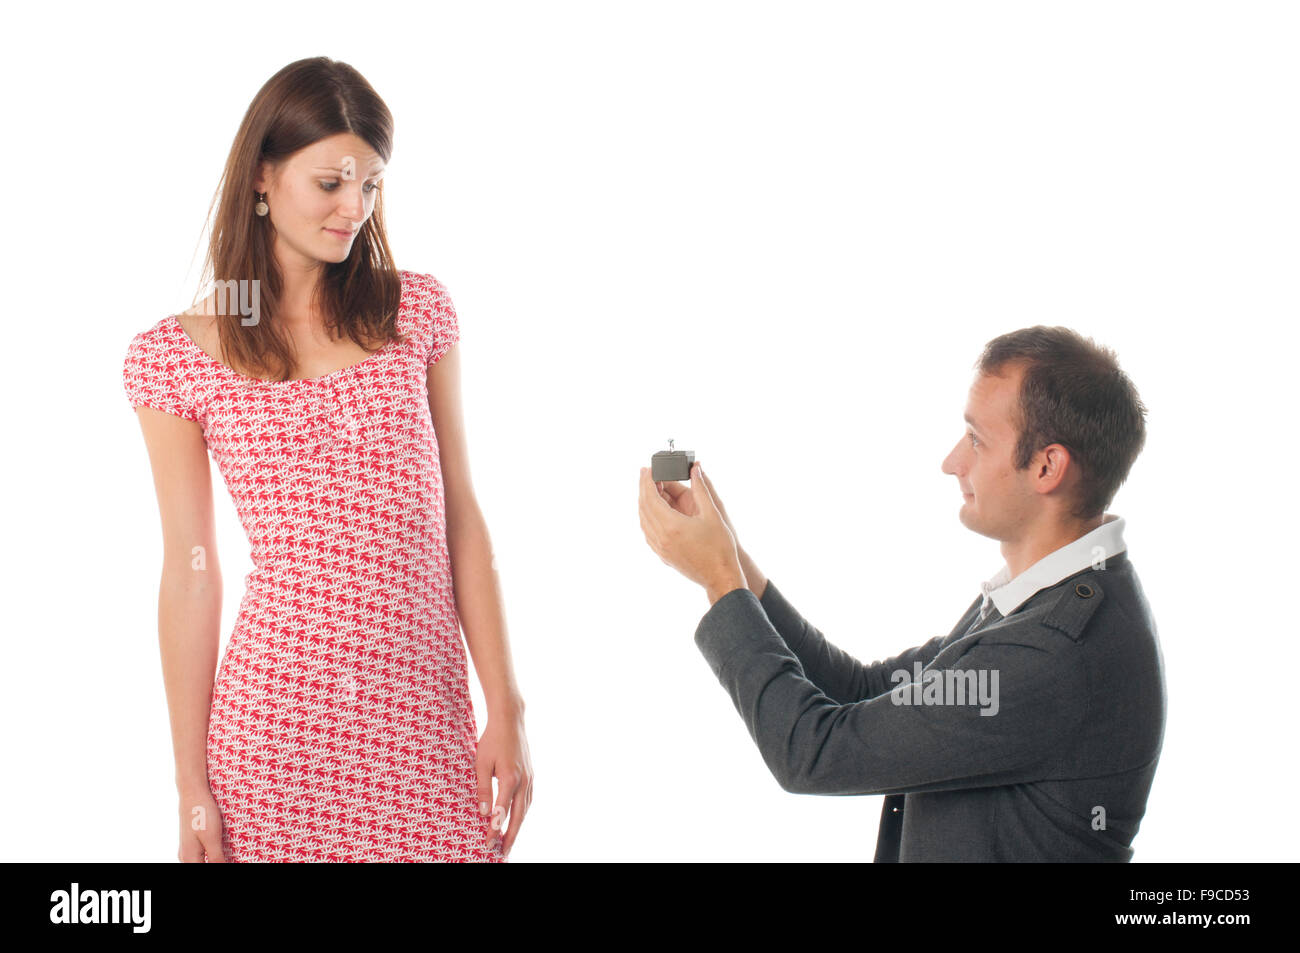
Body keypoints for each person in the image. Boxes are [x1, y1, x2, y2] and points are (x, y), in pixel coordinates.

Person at [122, 57, 531, 862]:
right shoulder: (180, 354)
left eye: (372, 185)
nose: (356, 209)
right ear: (263, 179)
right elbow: (192, 570)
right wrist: (189, 783)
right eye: (332, 184)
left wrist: (507, 705)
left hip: (424, 725)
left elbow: (461, 516)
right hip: (276, 741)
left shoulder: (411, 310)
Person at [638, 326, 1164, 861]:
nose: (952, 461)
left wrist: (719, 580)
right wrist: (736, 564)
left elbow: (815, 751)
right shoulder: (1040, 601)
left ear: (1047, 467)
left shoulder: (1054, 650)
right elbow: (857, 689)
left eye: (977, 441)